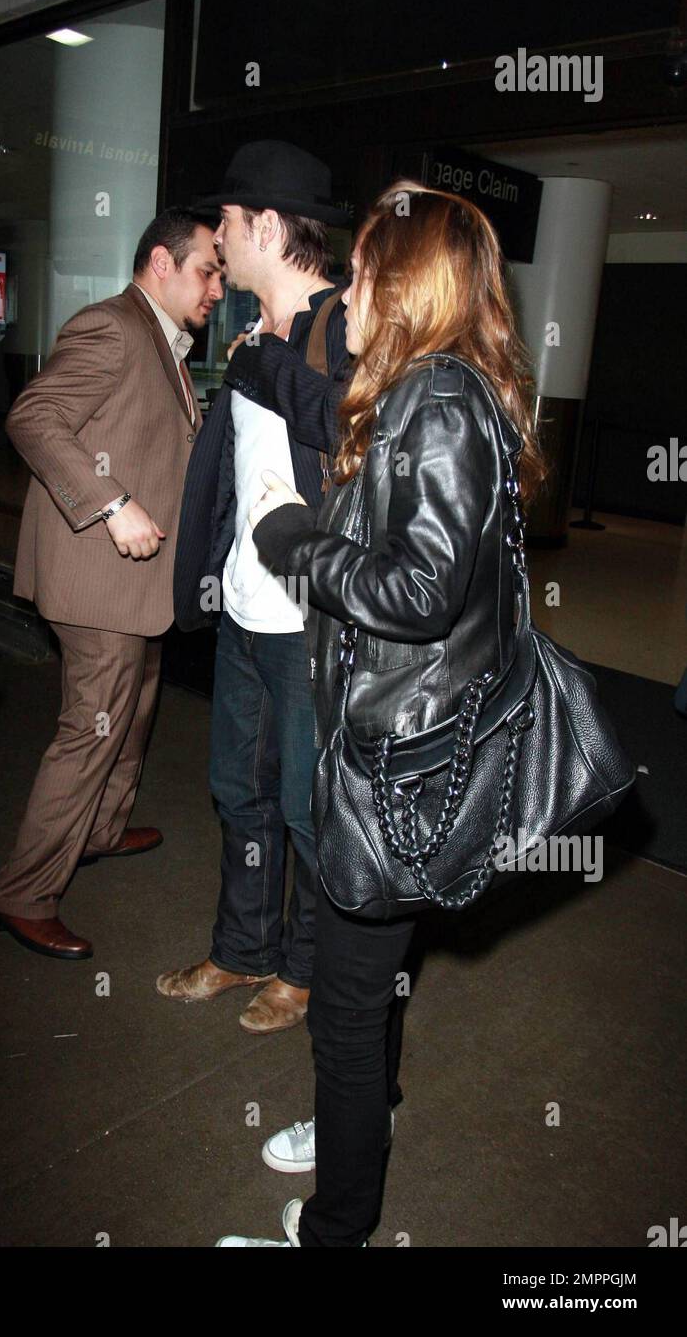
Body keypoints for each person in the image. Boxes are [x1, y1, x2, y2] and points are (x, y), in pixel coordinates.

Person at [217, 179, 546, 1245]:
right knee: (369, 993)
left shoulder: (435, 398)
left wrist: (287, 537)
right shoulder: (446, 391)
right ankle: (363, 1119)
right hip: (416, 748)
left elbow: (413, 590)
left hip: (399, 764)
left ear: (401, 285)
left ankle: (335, 1227)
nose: (345, 291)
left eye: (360, 270)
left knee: (348, 1013)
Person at [0, 209, 223, 959]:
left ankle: (103, 829)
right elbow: (34, 417)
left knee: (134, 712)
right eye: (208, 268)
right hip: (99, 580)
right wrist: (112, 504)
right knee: (92, 730)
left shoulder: (165, 342)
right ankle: (20, 893)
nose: (218, 284)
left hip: (139, 586)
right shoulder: (113, 327)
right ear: (161, 262)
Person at [157, 141, 351, 1034]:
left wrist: (264, 360)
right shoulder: (251, 341)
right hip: (242, 611)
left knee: (312, 815)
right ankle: (243, 951)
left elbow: (348, 433)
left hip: (312, 626)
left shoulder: (346, 331)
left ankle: (305, 971)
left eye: (229, 223)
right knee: (239, 792)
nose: (218, 239)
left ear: (269, 228)